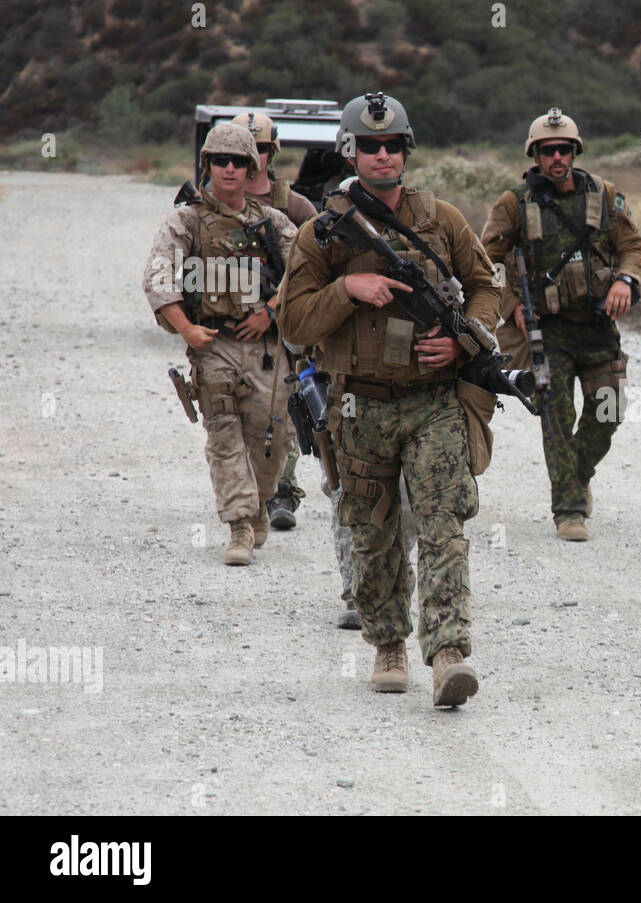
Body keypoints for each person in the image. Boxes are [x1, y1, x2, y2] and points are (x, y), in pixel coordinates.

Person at [278, 92, 500, 707]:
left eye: (393, 145)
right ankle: (387, 643)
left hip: (434, 401)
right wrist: (348, 286)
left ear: (407, 151)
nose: (383, 156)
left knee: (442, 525)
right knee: (372, 532)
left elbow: (487, 289)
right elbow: (294, 324)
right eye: (371, 146)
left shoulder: (443, 220)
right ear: (351, 150)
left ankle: (449, 651)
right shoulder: (321, 232)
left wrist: (462, 343)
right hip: (359, 406)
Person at [480, 108, 641, 541]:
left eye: (564, 149)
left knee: (608, 411)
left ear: (575, 152)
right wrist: (513, 304)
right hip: (545, 329)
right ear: (535, 155)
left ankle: (578, 475)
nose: (557, 157)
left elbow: (631, 246)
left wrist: (626, 280)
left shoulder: (604, 195)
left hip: (596, 323)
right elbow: (485, 264)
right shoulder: (515, 203)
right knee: (556, 416)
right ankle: (569, 510)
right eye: (548, 150)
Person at [143, 123, 297, 565]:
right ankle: (240, 525)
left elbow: (305, 270)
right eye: (220, 161)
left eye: (238, 162)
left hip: (266, 347)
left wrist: (270, 311)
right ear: (207, 164)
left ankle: (260, 502)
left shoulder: (272, 223)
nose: (228, 169)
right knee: (224, 434)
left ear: (252, 168)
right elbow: (158, 278)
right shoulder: (186, 220)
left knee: (272, 439)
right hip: (213, 344)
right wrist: (186, 330)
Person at [232, 111, 319, 532]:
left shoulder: (294, 206)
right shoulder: (213, 205)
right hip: (233, 324)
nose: (252, 158)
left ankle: (282, 491)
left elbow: (316, 263)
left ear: (272, 152)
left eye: (261, 149)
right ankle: (243, 494)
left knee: (284, 405)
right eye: (242, 151)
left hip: (284, 323)